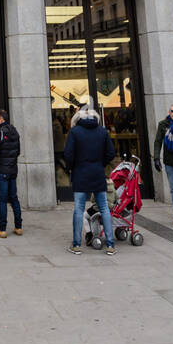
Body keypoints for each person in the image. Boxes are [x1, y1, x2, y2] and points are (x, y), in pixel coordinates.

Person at [63, 106, 117, 256]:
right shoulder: (102, 132)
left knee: (78, 210)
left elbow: (68, 154)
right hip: (98, 173)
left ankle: (76, 245)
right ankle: (110, 245)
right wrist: (101, 164)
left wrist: (73, 166)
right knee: (104, 208)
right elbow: (111, 153)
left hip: (80, 173)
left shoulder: (74, 132)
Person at [0, 108, 22, 239]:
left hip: (2, 171)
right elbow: (18, 151)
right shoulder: (14, 131)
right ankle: (18, 227)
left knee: (3, 200)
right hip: (13, 170)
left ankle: (2, 229)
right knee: (14, 198)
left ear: (1, 119)